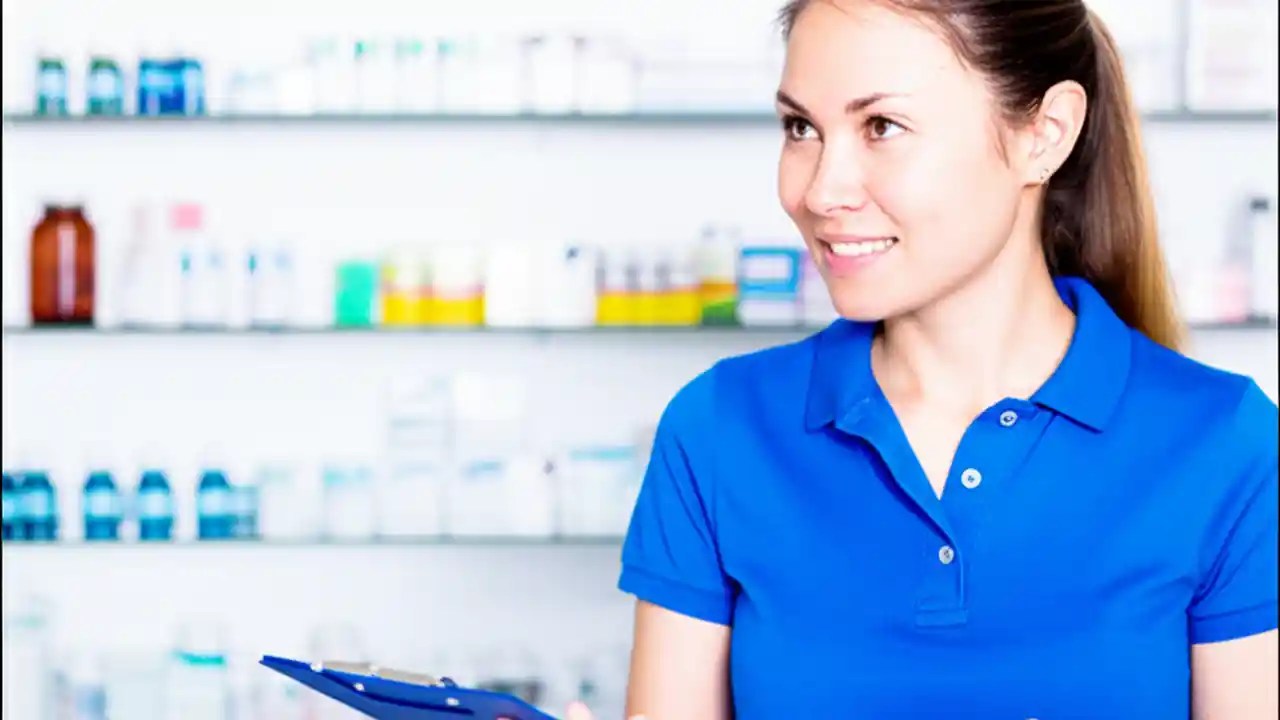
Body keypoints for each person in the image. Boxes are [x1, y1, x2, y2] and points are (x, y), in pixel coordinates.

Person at [556, 0, 1278, 718]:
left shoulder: (1224, 442)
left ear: (1045, 134)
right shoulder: (719, 429)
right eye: (801, 127)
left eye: (882, 127)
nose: (819, 190)